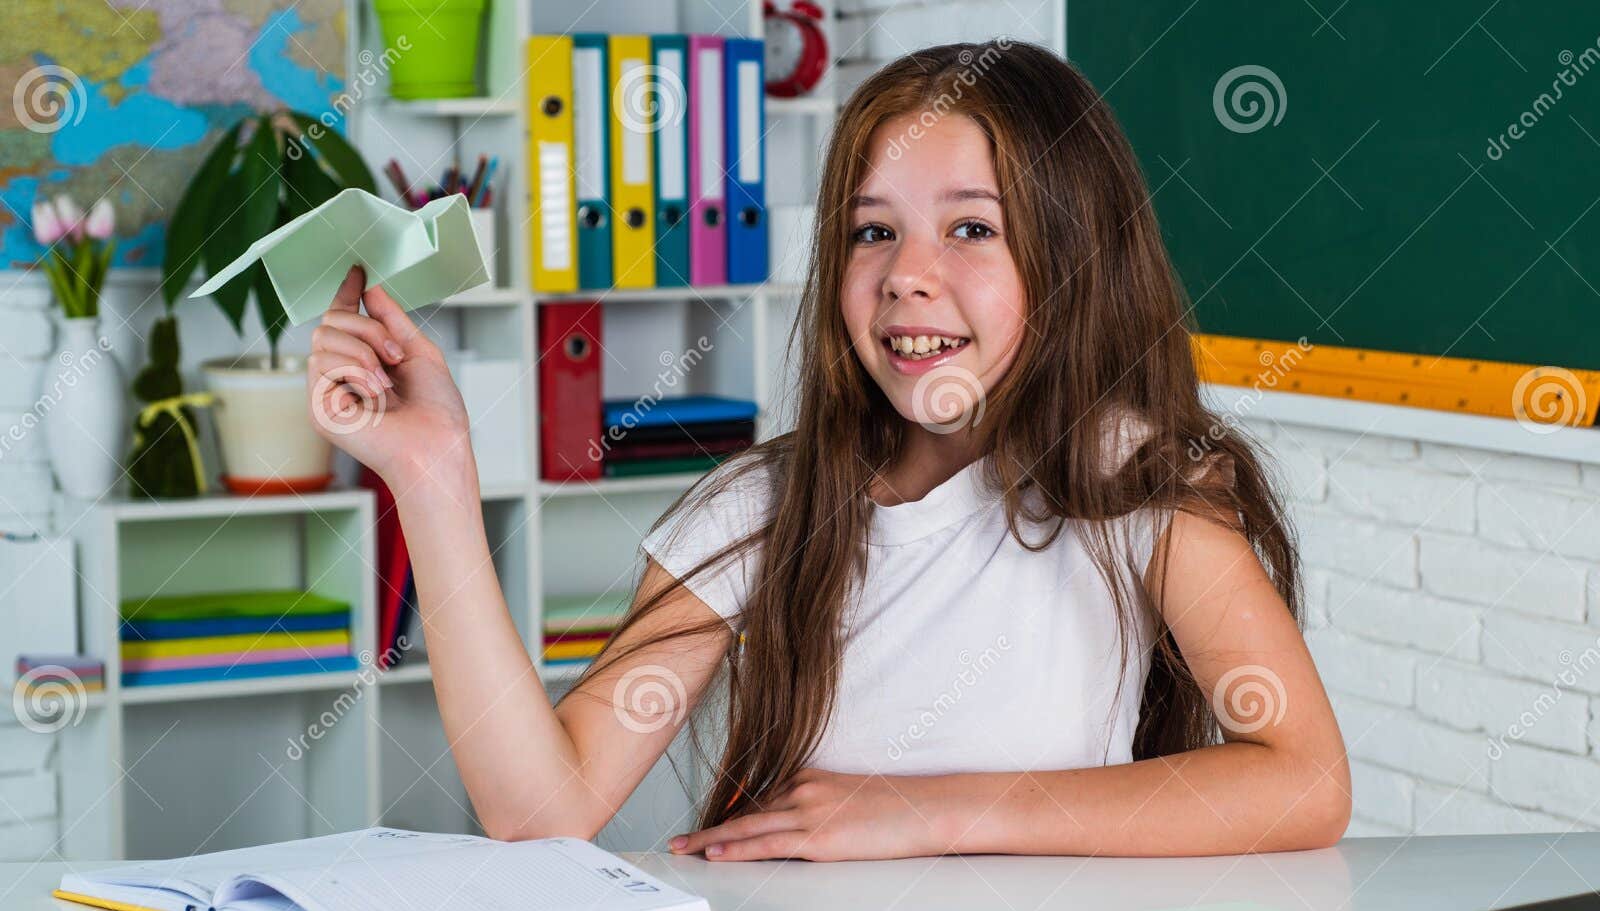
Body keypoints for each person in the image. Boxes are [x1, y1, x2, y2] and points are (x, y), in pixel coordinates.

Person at [305, 40, 1349, 861]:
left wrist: (925, 813)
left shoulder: (1137, 484)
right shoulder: (757, 505)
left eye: (971, 229)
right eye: (870, 230)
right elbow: (543, 807)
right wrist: (432, 474)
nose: (904, 274)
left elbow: (1302, 779)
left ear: (1073, 255)